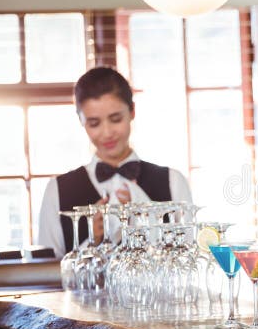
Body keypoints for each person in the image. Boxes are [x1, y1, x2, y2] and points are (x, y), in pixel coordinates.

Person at [38, 67, 192, 258]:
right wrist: (93, 241)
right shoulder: (56, 191)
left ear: (132, 111)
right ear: (81, 120)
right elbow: (49, 269)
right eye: (94, 123)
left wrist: (144, 218)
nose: (107, 132)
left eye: (116, 119)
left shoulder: (173, 181)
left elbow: (187, 259)